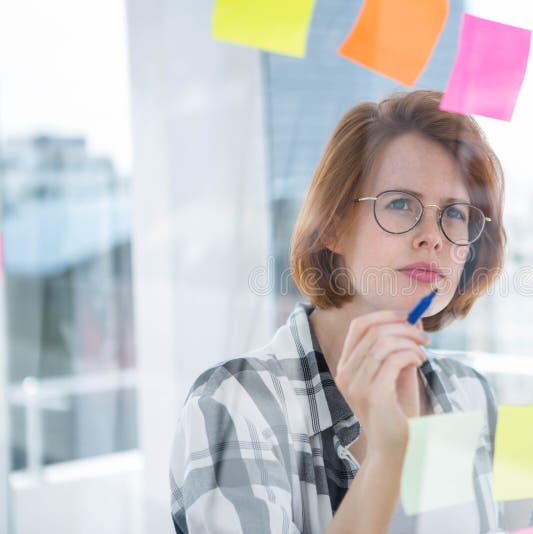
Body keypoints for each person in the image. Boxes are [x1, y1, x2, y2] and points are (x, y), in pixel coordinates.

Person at [169, 90, 509, 533]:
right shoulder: (236, 405)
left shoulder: (471, 395)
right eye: (401, 204)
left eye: (456, 213)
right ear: (333, 225)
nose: (434, 236)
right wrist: (387, 458)